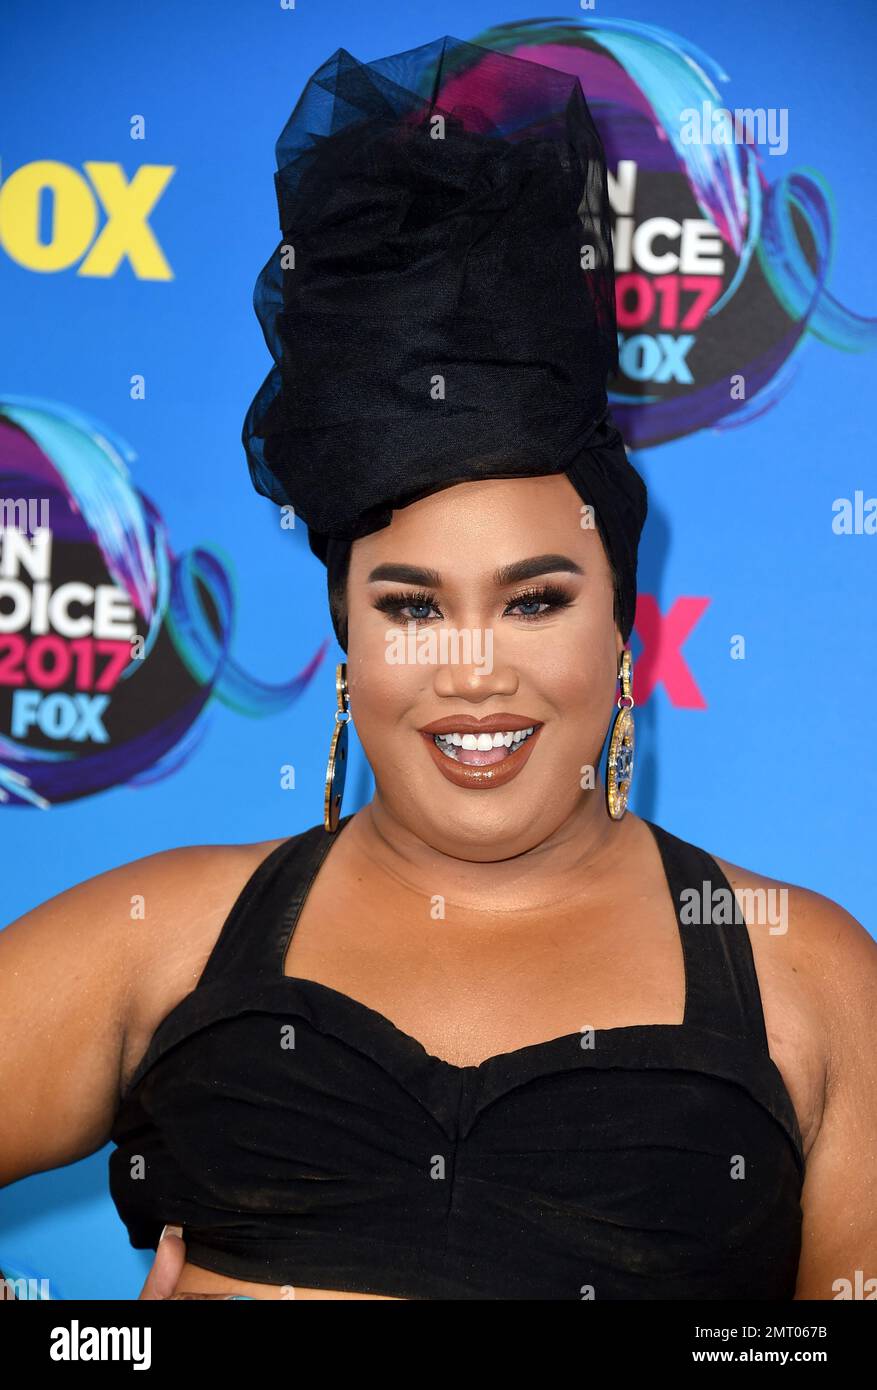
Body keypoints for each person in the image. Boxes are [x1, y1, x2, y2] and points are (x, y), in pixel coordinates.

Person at [2, 35, 875, 1302]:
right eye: (411, 605)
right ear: (349, 640)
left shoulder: (808, 979)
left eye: (533, 599)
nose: (473, 669)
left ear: (620, 634)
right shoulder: (170, 939)